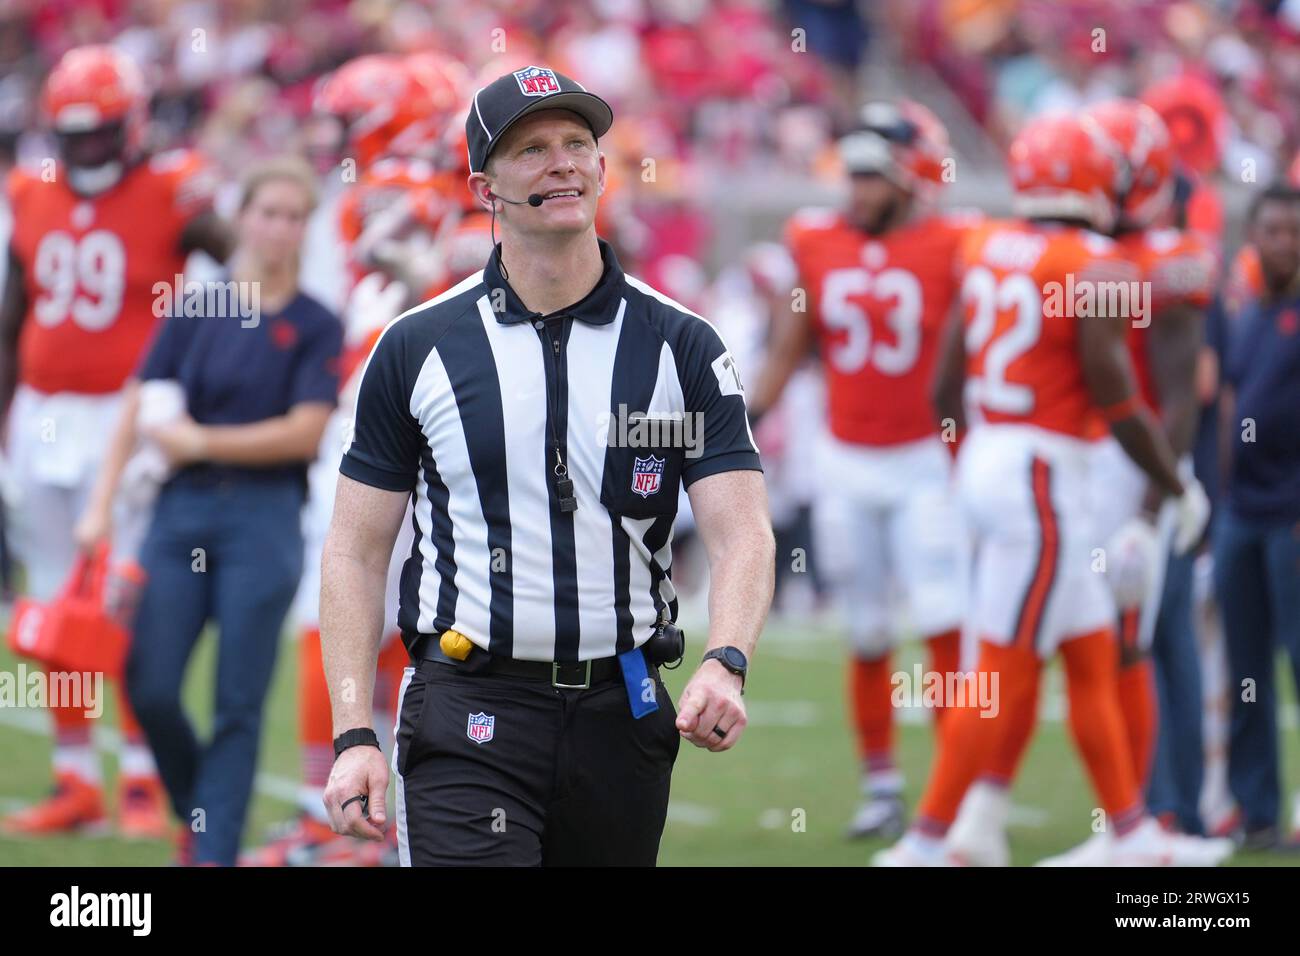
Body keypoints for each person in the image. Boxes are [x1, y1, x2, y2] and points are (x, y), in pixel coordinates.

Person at [319, 65, 775, 866]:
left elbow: (743, 533)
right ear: (483, 186)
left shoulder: (683, 344)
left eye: (577, 143)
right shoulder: (418, 344)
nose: (562, 162)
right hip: (468, 707)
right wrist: (355, 731)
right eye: (531, 149)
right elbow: (355, 551)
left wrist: (725, 660)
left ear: (603, 168)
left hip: (623, 710)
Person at [874, 112, 1224, 867]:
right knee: (999, 666)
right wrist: (1174, 482)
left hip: (996, 457)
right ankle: (929, 843)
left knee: (1094, 652)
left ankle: (1132, 835)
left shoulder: (983, 244)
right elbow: (1117, 395)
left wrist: (974, 457)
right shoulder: (1093, 262)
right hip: (1043, 473)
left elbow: (944, 383)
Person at [75, 156, 342, 866]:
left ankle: (212, 851)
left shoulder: (316, 322)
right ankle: (203, 818)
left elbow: (306, 430)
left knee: (237, 703)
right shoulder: (198, 304)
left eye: (295, 216)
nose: (281, 228)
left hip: (265, 514)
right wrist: (101, 505)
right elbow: (139, 400)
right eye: (269, 212)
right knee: (151, 682)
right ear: (243, 217)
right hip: (181, 507)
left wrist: (201, 439)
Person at [0, 45, 229, 839]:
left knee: (126, 599)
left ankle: (138, 779)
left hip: (127, 417)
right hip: (41, 413)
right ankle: (74, 779)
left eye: (101, 132)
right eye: (76, 135)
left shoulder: (174, 191)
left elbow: (246, 274)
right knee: (57, 599)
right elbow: (12, 316)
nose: (88, 148)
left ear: (132, 126)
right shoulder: (31, 192)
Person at [749, 100, 971, 839]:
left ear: (912, 177)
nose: (859, 188)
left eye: (875, 175)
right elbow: (787, 348)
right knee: (869, 631)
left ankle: (954, 791)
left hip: (927, 461)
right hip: (846, 457)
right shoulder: (815, 241)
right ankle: (881, 786)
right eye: (855, 173)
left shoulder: (957, 244)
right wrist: (741, 418)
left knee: (943, 621)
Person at [1214, 183, 1300, 852]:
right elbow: (1231, 403)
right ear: (1253, 236)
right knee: (1245, 671)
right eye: (1273, 230)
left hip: (1291, 515)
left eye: (1294, 232)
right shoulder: (1247, 314)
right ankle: (1257, 808)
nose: (1284, 243)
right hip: (1242, 512)